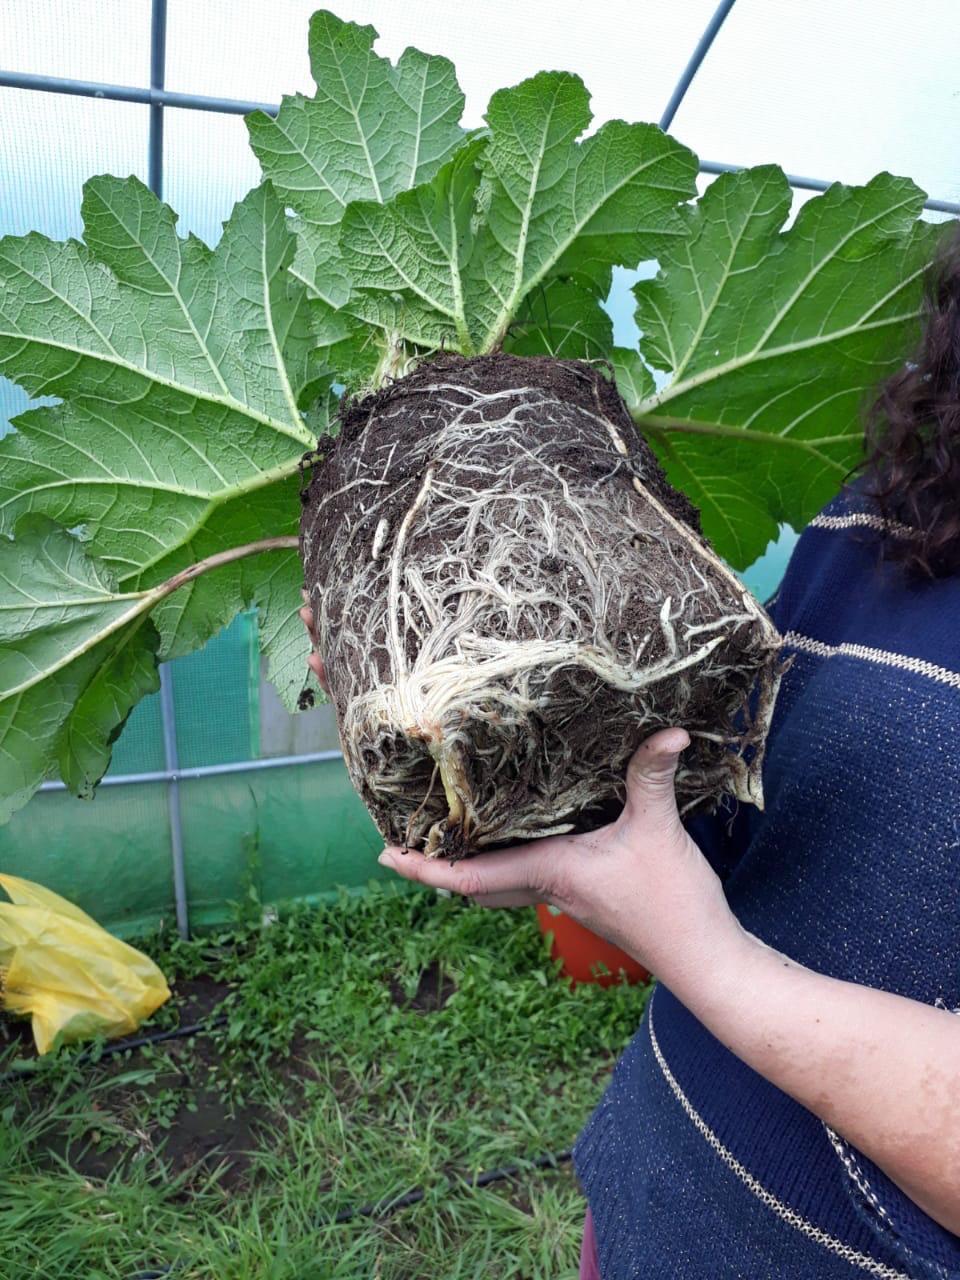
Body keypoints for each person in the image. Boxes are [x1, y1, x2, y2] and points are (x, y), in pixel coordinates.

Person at [299, 230, 960, 1279]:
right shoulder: (887, 508)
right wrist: (514, 790)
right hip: (652, 1200)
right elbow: (709, 795)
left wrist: (707, 956)